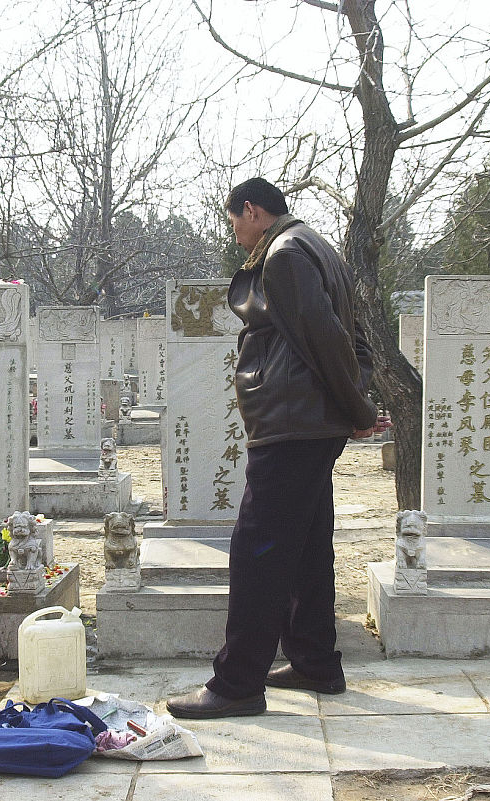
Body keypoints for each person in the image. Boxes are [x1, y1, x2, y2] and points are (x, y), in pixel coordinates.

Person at [165, 178, 377, 719]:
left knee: (257, 549)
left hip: (292, 422)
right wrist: (352, 405)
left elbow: (328, 338)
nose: (234, 232)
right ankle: (315, 661)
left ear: (254, 211)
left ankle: (237, 683)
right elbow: (352, 332)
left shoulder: (283, 255)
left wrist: (358, 410)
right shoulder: (316, 244)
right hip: (310, 420)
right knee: (307, 544)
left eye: (235, 219)